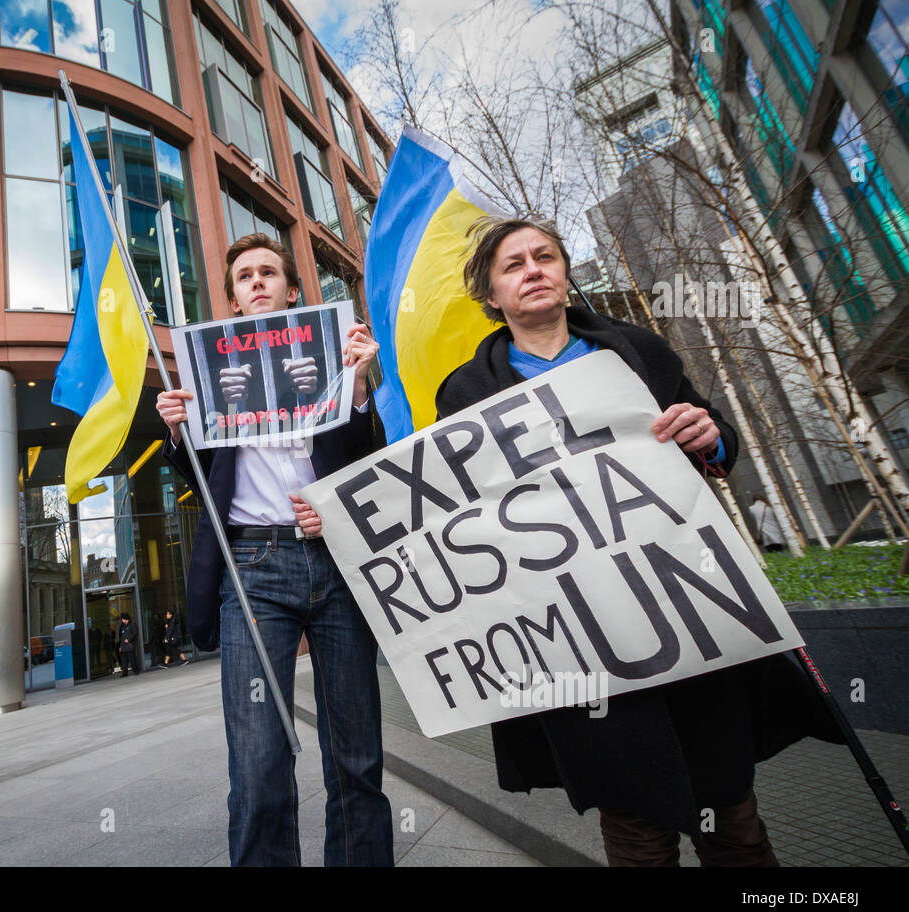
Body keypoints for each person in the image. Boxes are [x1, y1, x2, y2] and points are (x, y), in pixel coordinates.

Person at [432, 215, 840, 866]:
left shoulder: (637, 352)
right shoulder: (464, 395)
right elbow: (455, 514)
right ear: (490, 293)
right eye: (514, 264)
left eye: (545, 256)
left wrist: (710, 436)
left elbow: (715, 437)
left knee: (731, 815)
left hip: (685, 608)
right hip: (583, 637)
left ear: (565, 272)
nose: (534, 270)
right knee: (635, 828)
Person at [156, 232, 393, 866]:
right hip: (252, 570)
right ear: (234, 300)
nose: (257, 281)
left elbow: (370, 461)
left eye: (269, 272)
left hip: (338, 564)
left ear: (291, 292)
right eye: (245, 276)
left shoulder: (337, 360)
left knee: (357, 757)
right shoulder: (210, 377)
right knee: (258, 761)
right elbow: (203, 479)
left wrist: (361, 385)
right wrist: (178, 430)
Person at [116, 613, 138, 677]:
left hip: (129, 645)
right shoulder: (123, 626)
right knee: (124, 661)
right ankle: (124, 673)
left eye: (122, 619)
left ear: (126, 619)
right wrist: (120, 646)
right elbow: (122, 637)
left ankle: (136, 671)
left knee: (132, 659)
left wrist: (129, 639)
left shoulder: (132, 624)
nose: (121, 620)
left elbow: (135, 633)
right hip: (123, 646)